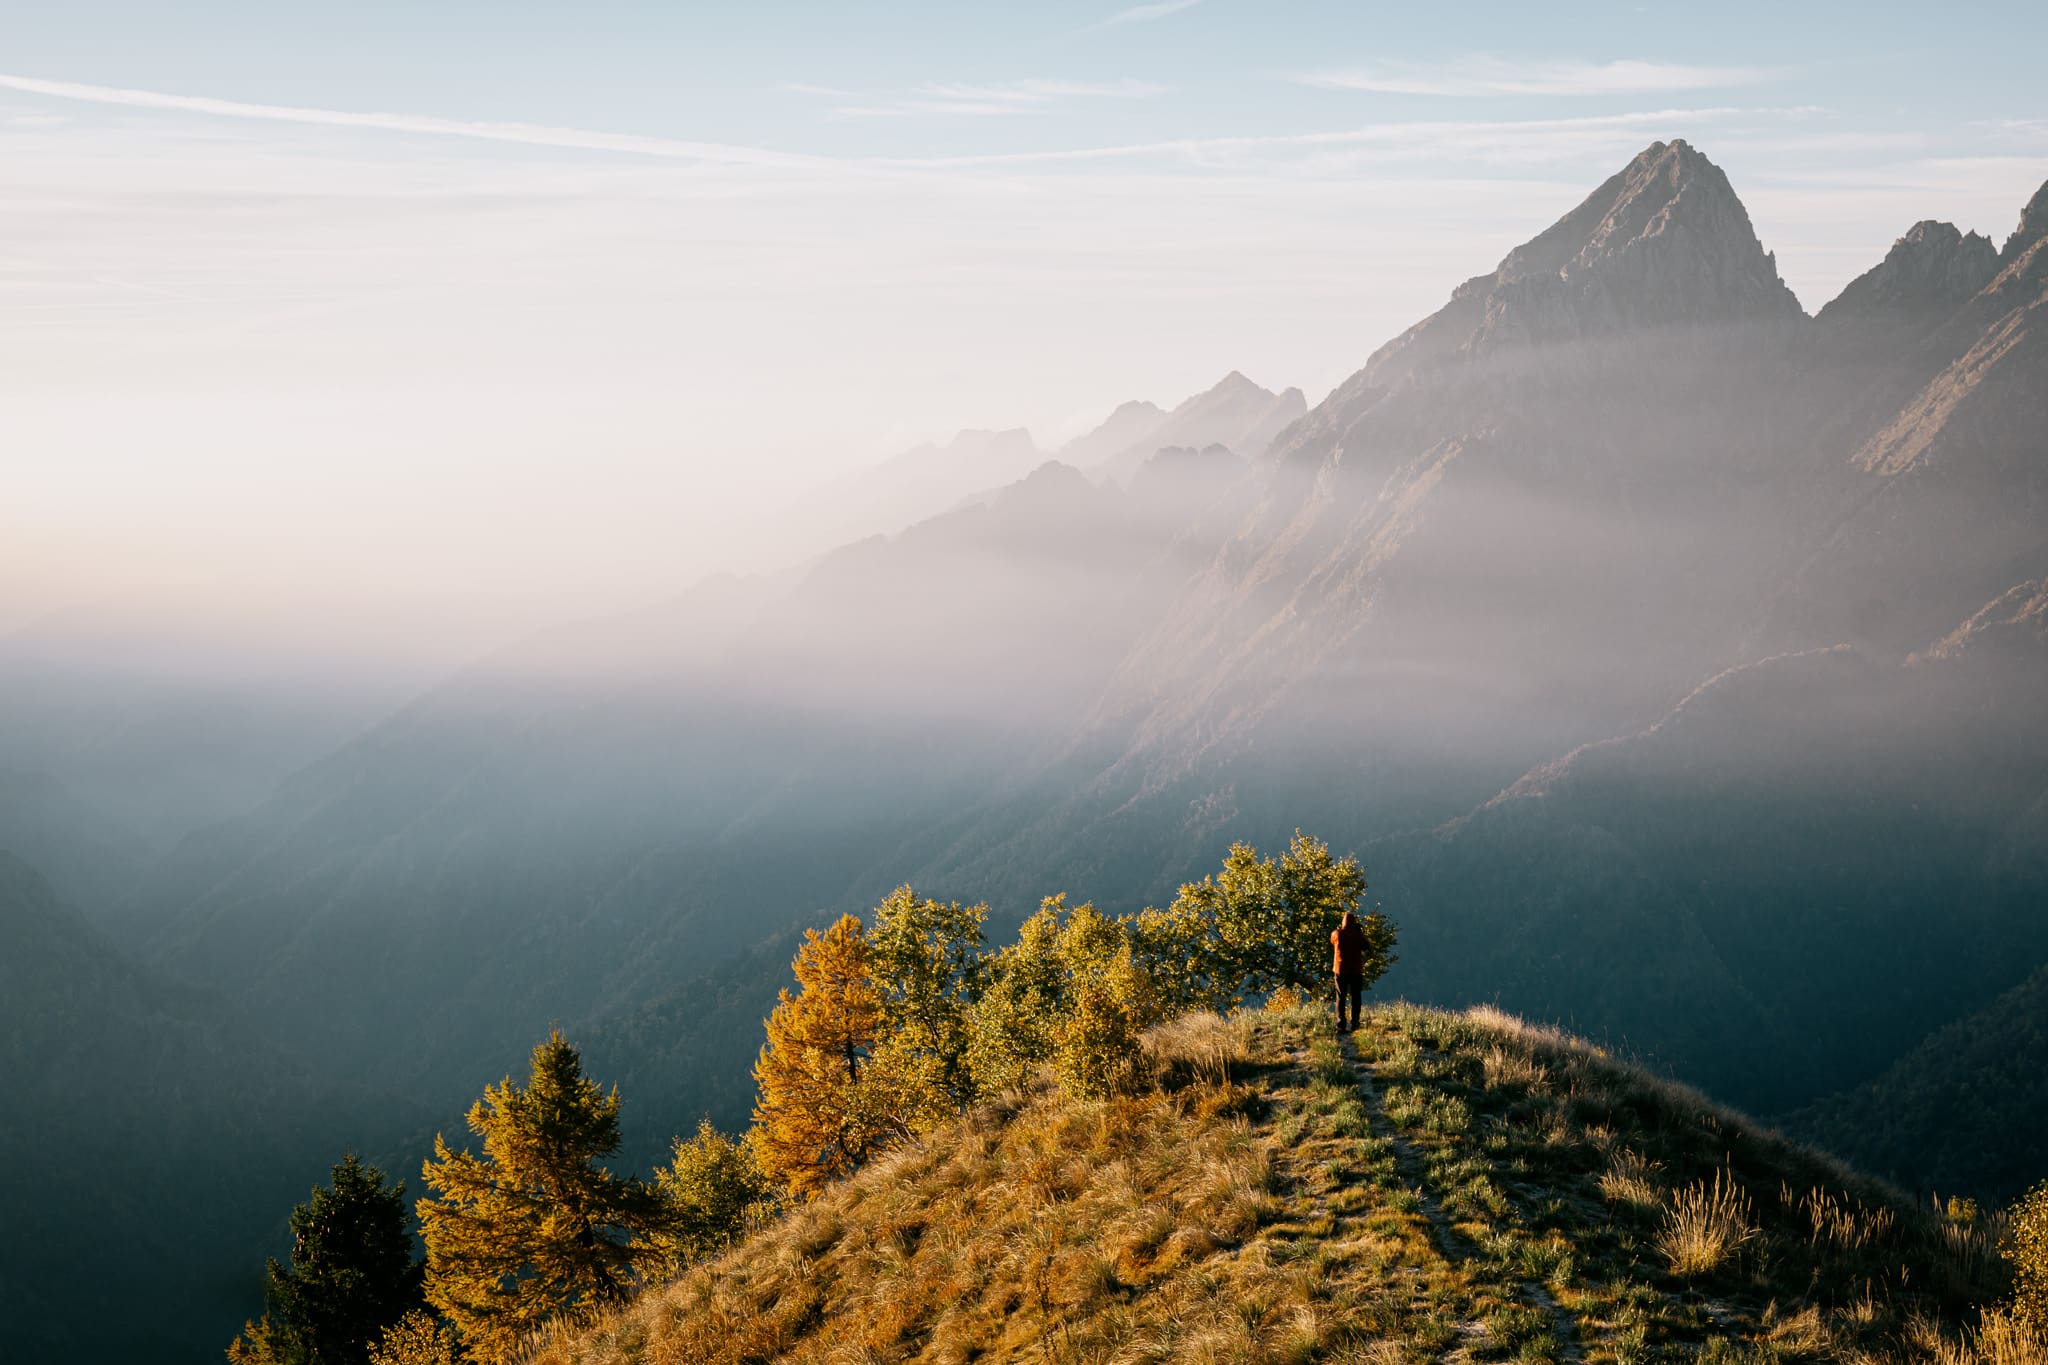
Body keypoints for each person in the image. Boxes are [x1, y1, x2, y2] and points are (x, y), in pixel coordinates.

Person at [1331, 909, 1367, 1033]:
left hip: (1340, 970)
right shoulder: (1357, 935)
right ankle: (1355, 1023)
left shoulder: (1336, 934)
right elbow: (1366, 946)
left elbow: (1332, 941)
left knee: (1341, 997)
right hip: (1356, 971)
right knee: (1356, 997)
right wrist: (1360, 933)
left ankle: (1341, 1024)